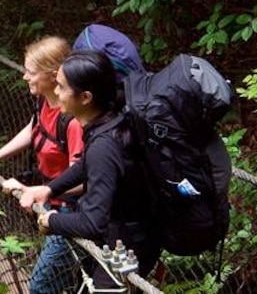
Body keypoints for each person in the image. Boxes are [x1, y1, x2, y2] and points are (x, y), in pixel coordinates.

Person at [17, 51, 161, 290]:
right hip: (130, 237)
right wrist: (49, 189)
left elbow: (93, 222)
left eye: (62, 88)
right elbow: (86, 165)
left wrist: (51, 220)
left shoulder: (104, 145)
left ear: (85, 97)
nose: (56, 93)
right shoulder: (110, 121)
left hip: (127, 250)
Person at [0, 36, 82, 294]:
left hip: (71, 212)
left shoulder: (72, 121)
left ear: (53, 76)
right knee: (63, 280)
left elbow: (84, 180)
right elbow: (35, 129)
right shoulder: (45, 101)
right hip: (50, 202)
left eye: (30, 72)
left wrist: (39, 190)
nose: (25, 77)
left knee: (40, 287)